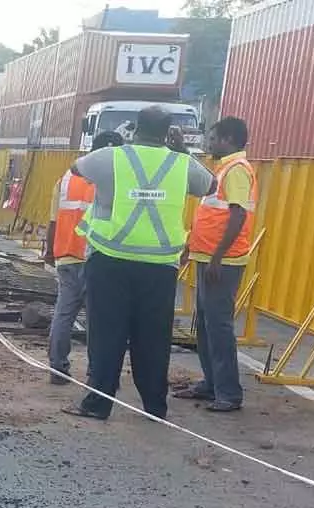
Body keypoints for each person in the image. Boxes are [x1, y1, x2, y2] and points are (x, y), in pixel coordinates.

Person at [62, 106, 215, 421]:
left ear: (135, 129)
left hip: (109, 258)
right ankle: (155, 407)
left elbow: (76, 168)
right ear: (168, 132)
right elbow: (210, 185)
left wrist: (120, 146)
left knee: (106, 335)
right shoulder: (181, 163)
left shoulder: (112, 157)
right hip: (160, 265)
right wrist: (181, 150)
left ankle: (98, 403)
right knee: (153, 338)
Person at [175, 116, 257, 413]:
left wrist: (218, 257)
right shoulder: (224, 169)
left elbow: (238, 215)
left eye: (212, 139)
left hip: (222, 260)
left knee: (218, 326)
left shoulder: (237, 170)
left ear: (228, 139)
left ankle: (228, 393)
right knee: (206, 324)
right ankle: (212, 384)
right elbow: (211, 209)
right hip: (208, 256)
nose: (209, 144)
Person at [45, 130, 127, 385]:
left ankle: (57, 367)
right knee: (98, 319)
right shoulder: (117, 179)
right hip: (100, 257)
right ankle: (96, 373)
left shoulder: (66, 178)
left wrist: (49, 250)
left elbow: (53, 219)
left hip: (67, 254)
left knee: (64, 313)